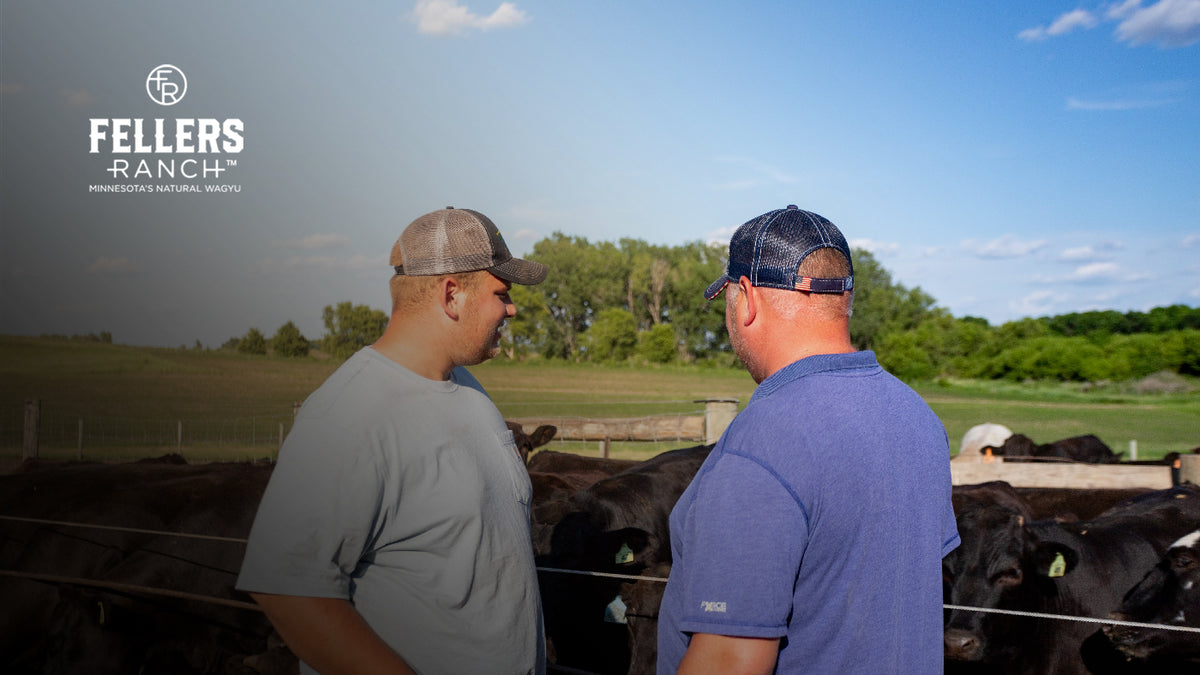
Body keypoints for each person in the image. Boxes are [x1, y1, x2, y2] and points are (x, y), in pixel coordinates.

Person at [237, 207, 548, 675]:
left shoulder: (467, 388)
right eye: (501, 294)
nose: (512, 309)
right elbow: (287, 590)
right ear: (451, 295)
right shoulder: (349, 413)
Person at [657, 205, 959, 674]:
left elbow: (730, 661)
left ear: (746, 298)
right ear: (846, 298)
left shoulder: (765, 438)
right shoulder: (918, 418)